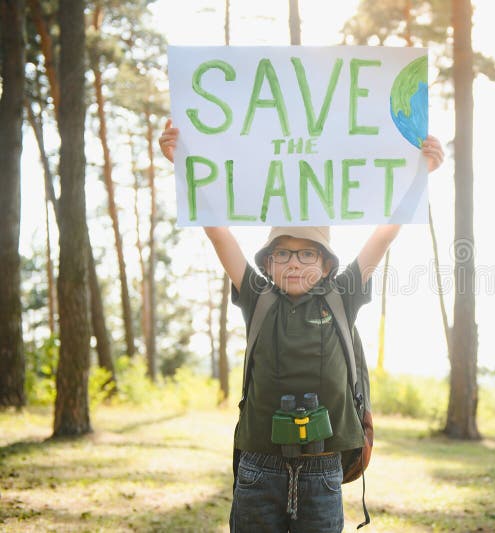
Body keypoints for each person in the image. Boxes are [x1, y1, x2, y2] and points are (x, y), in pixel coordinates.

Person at [159, 120, 443, 532]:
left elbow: (383, 237)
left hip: (323, 468)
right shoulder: (258, 297)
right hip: (259, 464)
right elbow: (218, 234)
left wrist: (421, 175)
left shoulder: (341, 294)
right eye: (284, 254)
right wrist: (182, 162)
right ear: (268, 263)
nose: (294, 262)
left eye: (307, 255)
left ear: (327, 263)